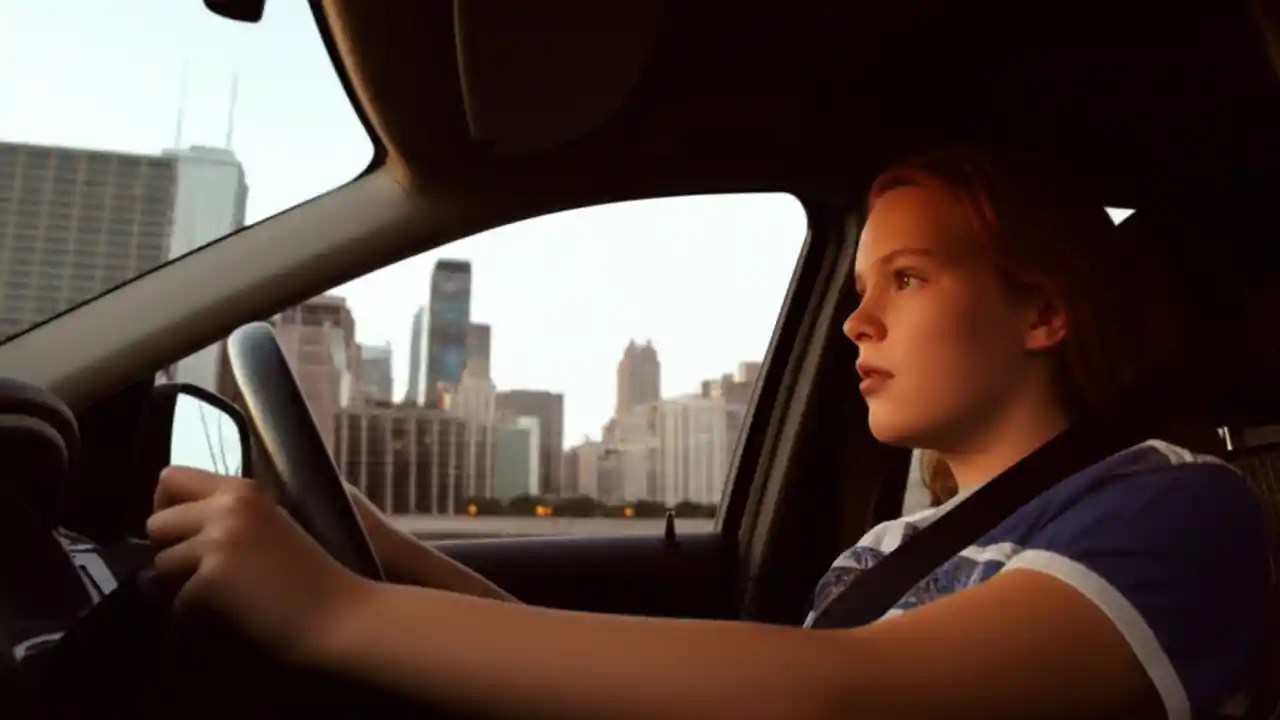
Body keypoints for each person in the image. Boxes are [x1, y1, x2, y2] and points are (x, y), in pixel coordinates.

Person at [145, 148, 1271, 719]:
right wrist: (388, 552)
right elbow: (681, 682)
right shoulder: (880, 556)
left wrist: (336, 612)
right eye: (860, 280)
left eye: (908, 278)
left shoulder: (1177, 504)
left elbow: (839, 698)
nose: (855, 319)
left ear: (1042, 310)